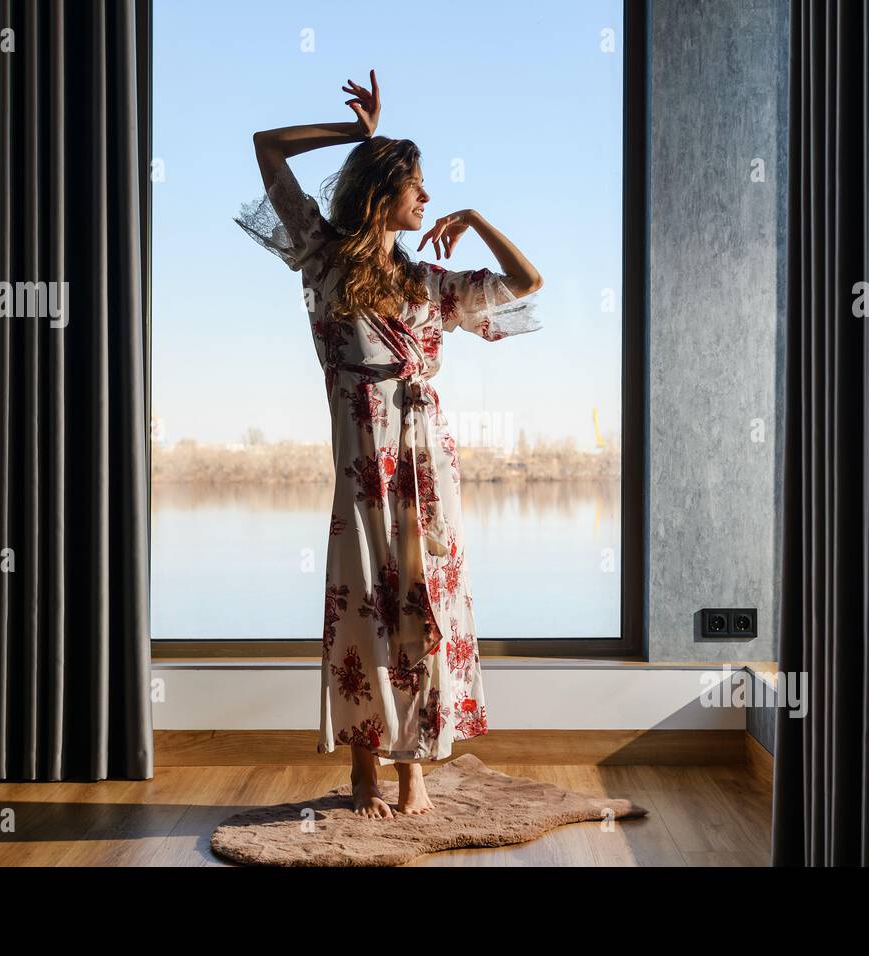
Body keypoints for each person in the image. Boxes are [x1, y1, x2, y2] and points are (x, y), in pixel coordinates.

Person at [236, 69, 543, 819]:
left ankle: (416, 768)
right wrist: (358, 135)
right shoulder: (321, 256)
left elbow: (527, 282)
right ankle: (366, 767)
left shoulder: (429, 286)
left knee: (423, 608)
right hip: (363, 471)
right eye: (420, 188)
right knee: (366, 612)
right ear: (384, 193)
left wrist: (474, 216)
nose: (429, 200)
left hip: (428, 470)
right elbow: (267, 147)